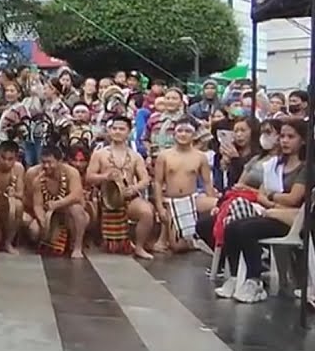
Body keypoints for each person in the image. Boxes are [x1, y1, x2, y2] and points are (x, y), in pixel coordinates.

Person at [214, 119, 307, 303]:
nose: (285, 141)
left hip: (291, 220)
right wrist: (274, 200)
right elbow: (262, 195)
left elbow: (294, 198)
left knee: (248, 230)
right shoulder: (274, 165)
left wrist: (272, 198)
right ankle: (234, 277)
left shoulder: (305, 167)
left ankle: (255, 280)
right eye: (282, 137)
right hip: (270, 212)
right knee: (233, 226)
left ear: (302, 140)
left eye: (291, 137)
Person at [85, 115, 156, 259]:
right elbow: (89, 177)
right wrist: (105, 177)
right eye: (114, 128)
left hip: (128, 196)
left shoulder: (135, 156)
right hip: (106, 198)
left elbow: (145, 179)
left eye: (121, 129)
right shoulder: (100, 154)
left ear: (129, 132)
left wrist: (134, 188)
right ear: (109, 131)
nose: (117, 131)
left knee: (147, 212)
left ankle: (140, 247)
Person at [153, 118, 217, 253]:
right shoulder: (164, 156)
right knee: (177, 247)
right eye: (180, 131)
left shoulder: (200, 157)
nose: (183, 134)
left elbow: (207, 182)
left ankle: (208, 238)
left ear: (193, 135)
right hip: (172, 200)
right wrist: (159, 206)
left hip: (193, 198)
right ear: (174, 134)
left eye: (187, 131)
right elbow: (158, 182)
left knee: (217, 203)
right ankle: (182, 239)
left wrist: (212, 205)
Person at [29, 145, 89, 258]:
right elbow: (37, 205)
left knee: (77, 208)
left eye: (50, 162)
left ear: (60, 161)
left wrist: (58, 204)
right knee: (34, 230)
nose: (46, 166)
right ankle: (48, 241)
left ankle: (77, 247)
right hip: (50, 215)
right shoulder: (36, 176)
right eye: (43, 162)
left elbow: (77, 195)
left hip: (69, 214)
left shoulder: (71, 172)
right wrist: (43, 222)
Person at [0, 141, 27, 253]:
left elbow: (20, 194)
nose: (6, 162)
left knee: (18, 205)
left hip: (9, 205)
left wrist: (13, 194)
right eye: (3, 157)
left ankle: (8, 242)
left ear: (16, 159)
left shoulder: (19, 169)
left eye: (10, 159)